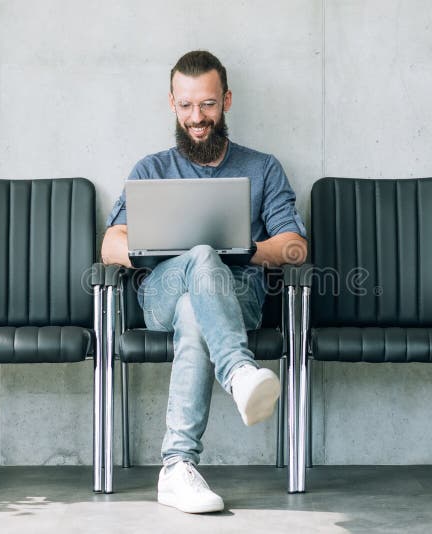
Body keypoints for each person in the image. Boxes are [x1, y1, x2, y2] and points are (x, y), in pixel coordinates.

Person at [102, 50, 307, 514]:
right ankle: (237, 372)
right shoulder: (151, 170)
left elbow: (295, 247)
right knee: (198, 259)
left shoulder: (263, 167)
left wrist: (241, 249)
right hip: (161, 295)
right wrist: (173, 250)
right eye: (187, 105)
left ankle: (177, 467)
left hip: (238, 296)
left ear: (227, 101)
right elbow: (110, 245)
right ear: (172, 104)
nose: (198, 117)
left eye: (208, 104)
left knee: (200, 302)